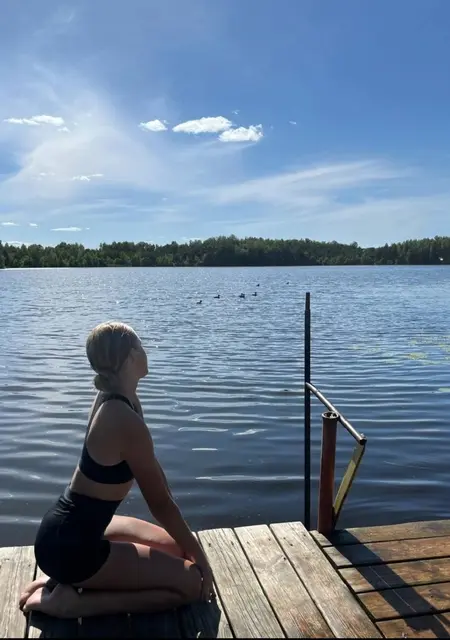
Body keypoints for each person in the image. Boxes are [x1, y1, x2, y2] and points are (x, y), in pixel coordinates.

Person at [19, 321, 215, 619]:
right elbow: (159, 504)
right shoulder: (121, 418)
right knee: (192, 584)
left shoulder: (121, 398)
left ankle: (62, 580)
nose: (147, 351)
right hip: (72, 546)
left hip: (73, 530)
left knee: (179, 549)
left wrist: (191, 545)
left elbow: (157, 478)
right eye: (142, 345)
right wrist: (204, 561)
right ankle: (71, 604)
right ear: (132, 356)